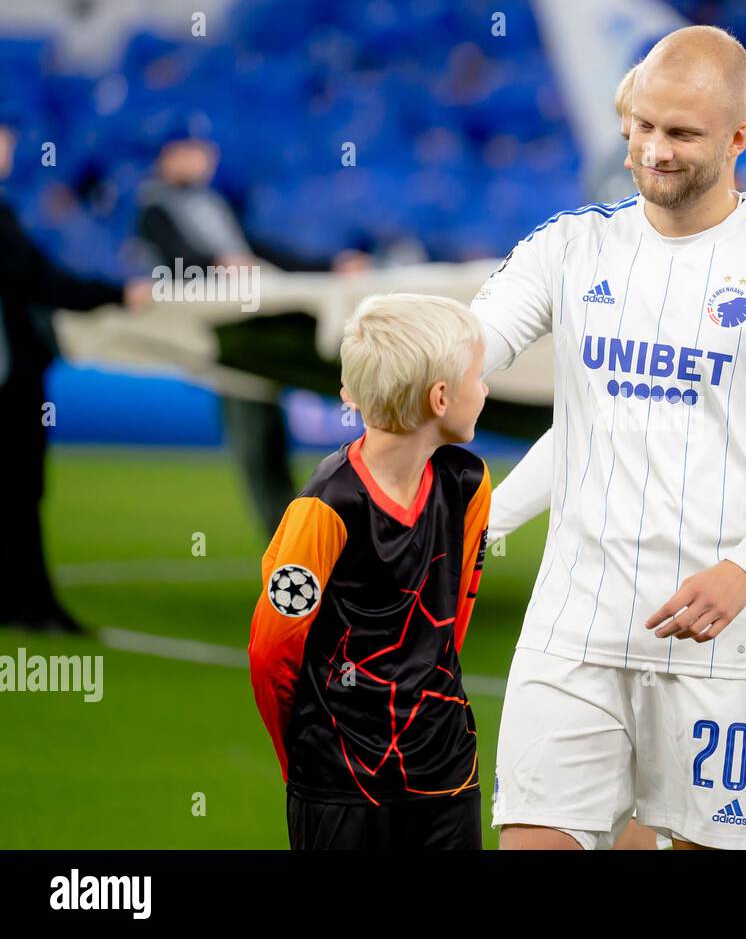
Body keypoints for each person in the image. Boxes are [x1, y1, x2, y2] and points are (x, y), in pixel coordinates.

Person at [473, 25, 746, 850]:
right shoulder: (572, 245)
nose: (654, 149)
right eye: (644, 126)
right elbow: (467, 354)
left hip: (718, 645)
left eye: (682, 133)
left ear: (739, 138)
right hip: (572, 630)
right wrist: (476, 519)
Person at [248, 293, 491, 849]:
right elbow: (272, 651)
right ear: (440, 397)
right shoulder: (325, 506)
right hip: (340, 780)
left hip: (445, 771)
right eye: (478, 377)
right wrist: (304, 756)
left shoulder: (469, 484)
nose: (485, 390)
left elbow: (451, 624)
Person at [136, 116, 369, 538]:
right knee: (254, 436)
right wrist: (216, 266)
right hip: (222, 334)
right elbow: (179, 260)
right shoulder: (155, 206)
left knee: (268, 433)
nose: (205, 158)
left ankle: (296, 534)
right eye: (192, 149)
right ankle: (284, 542)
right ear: (168, 155)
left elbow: (257, 249)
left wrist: (329, 266)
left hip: (250, 323)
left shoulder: (210, 202)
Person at [0, 114, 151, 634]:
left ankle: (25, 602)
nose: (8, 148)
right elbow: (42, 280)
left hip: (16, 375)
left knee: (19, 492)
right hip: (10, 381)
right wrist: (115, 294)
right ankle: (32, 606)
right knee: (20, 490)